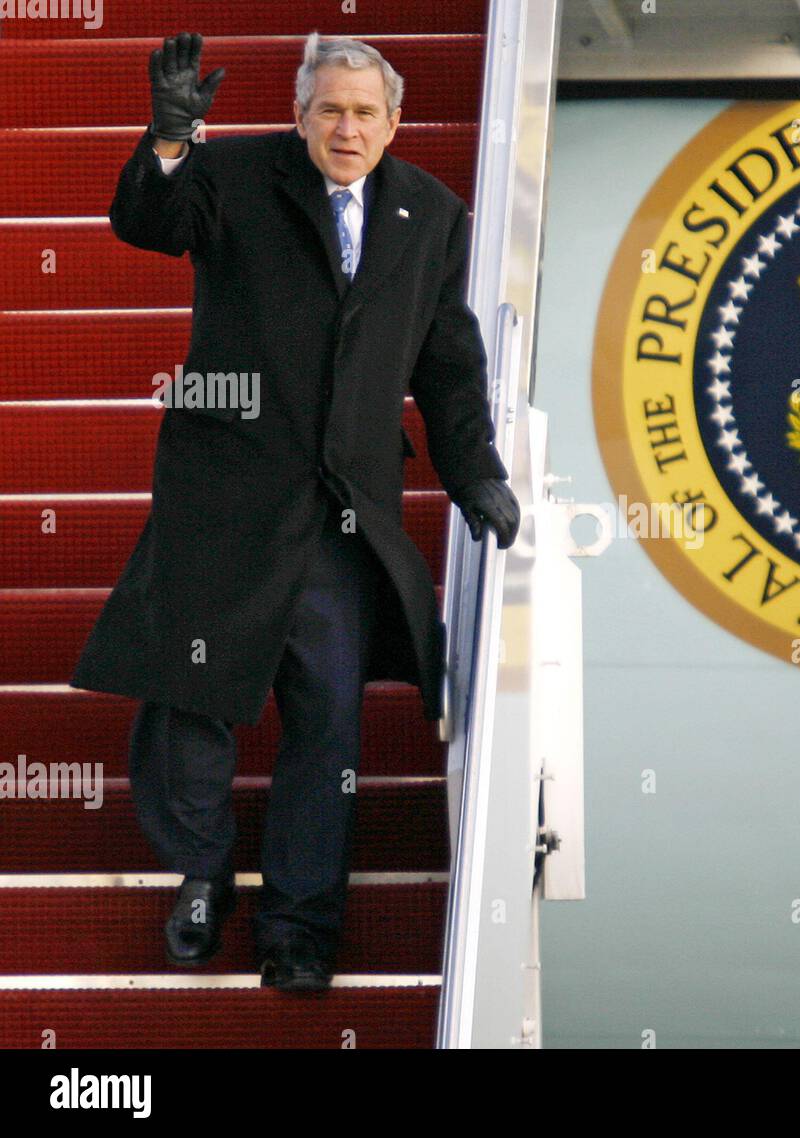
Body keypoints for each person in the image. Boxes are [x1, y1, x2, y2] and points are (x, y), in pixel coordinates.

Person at [70, 31, 520, 991]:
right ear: (300, 115)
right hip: (223, 496)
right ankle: (198, 873)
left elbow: (448, 360)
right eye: (330, 110)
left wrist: (475, 472)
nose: (347, 127)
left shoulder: (430, 214)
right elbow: (145, 221)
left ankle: (299, 927)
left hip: (341, 514)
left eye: (366, 113)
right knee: (189, 697)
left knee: (328, 726)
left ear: (395, 123)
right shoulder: (232, 175)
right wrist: (169, 135)